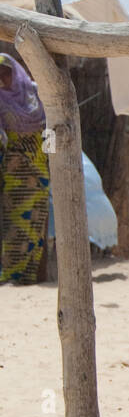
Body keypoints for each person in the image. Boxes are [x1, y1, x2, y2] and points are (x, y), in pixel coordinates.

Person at [0, 53, 50, 285]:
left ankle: (30, 275)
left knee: (36, 222)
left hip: (39, 167)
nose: (2, 77)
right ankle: (12, 274)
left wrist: (53, 155)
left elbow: (52, 123)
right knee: (14, 222)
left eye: (5, 71)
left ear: (14, 70)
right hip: (14, 170)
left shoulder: (37, 91)